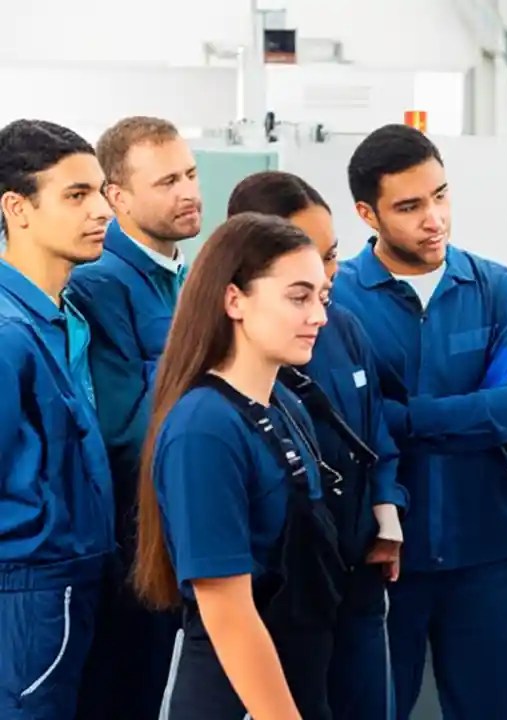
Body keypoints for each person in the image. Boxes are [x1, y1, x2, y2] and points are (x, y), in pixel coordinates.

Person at [331, 124, 507, 720]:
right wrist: (474, 410)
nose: (435, 219)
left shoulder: (496, 288)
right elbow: (346, 423)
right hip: (382, 557)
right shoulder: (339, 300)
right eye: (410, 206)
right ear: (367, 214)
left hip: (487, 557)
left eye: (441, 195)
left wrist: (400, 417)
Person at [134, 212, 343, 719]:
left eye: (322, 297)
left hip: (297, 682)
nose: (319, 316)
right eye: (298, 297)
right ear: (234, 300)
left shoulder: (287, 405)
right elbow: (228, 612)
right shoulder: (204, 428)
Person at [227, 170, 407, 720]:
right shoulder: (227, 377)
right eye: (304, 266)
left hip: (355, 564)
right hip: (284, 588)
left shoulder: (343, 327)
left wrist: (386, 511)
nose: (324, 278)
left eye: (330, 256)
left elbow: (372, 428)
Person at [67, 116, 202, 720]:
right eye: (167, 181)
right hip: (133, 539)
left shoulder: (186, 279)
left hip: (181, 532)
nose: (189, 192)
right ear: (116, 197)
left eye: (191, 174)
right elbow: (123, 426)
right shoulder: (102, 283)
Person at [0, 118, 114, 720]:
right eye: (76, 196)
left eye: (99, 191)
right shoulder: (7, 333)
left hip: (77, 580)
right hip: (27, 589)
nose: (101, 211)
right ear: (17, 208)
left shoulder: (66, 314)